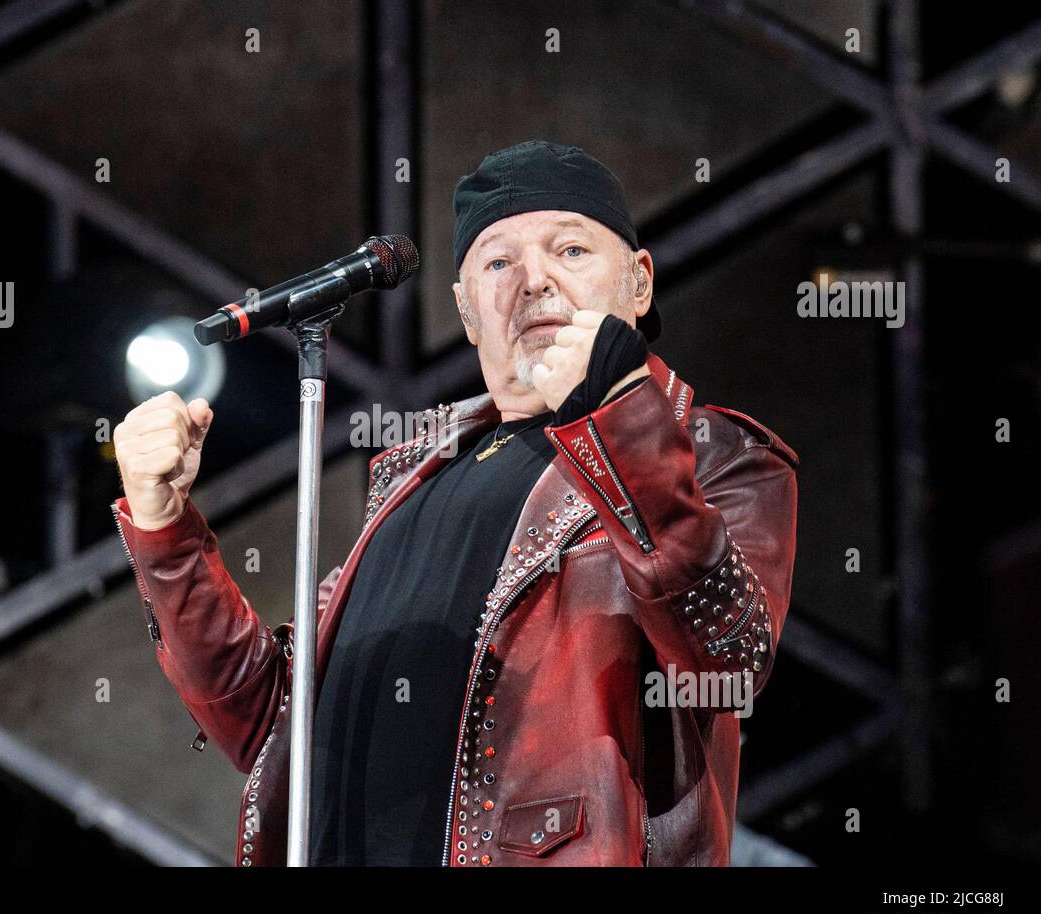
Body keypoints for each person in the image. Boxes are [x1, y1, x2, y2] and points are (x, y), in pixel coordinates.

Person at [111, 140, 799, 866]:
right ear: (468, 312)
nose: (533, 280)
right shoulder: (410, 479)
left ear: (638, 283)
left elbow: (727, 656)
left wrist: (615, 414)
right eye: (498, 263)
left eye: (570, 249)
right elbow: (265, 721)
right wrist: (165, 532)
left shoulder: (713, 451)